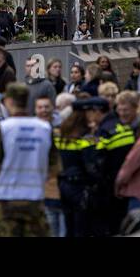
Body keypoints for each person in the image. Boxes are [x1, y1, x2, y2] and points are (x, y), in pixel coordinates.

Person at [0, 83, 59, 237]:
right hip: (35, 198)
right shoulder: (45, 128)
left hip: (7, 200)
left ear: (9, 101)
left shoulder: (3, 128)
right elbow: (54, 168)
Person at [54, 97, 106, 237]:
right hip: (80, 187)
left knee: (67, 228)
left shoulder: (61, 135)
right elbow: (92, 167)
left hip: (63, 185)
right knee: (81, 229)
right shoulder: (87, 138)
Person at [95, 90, 139, 232]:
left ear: (135, 108)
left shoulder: (138, 128)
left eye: (125, 110)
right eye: (119, 110)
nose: (122, 113)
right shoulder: (123, 127)